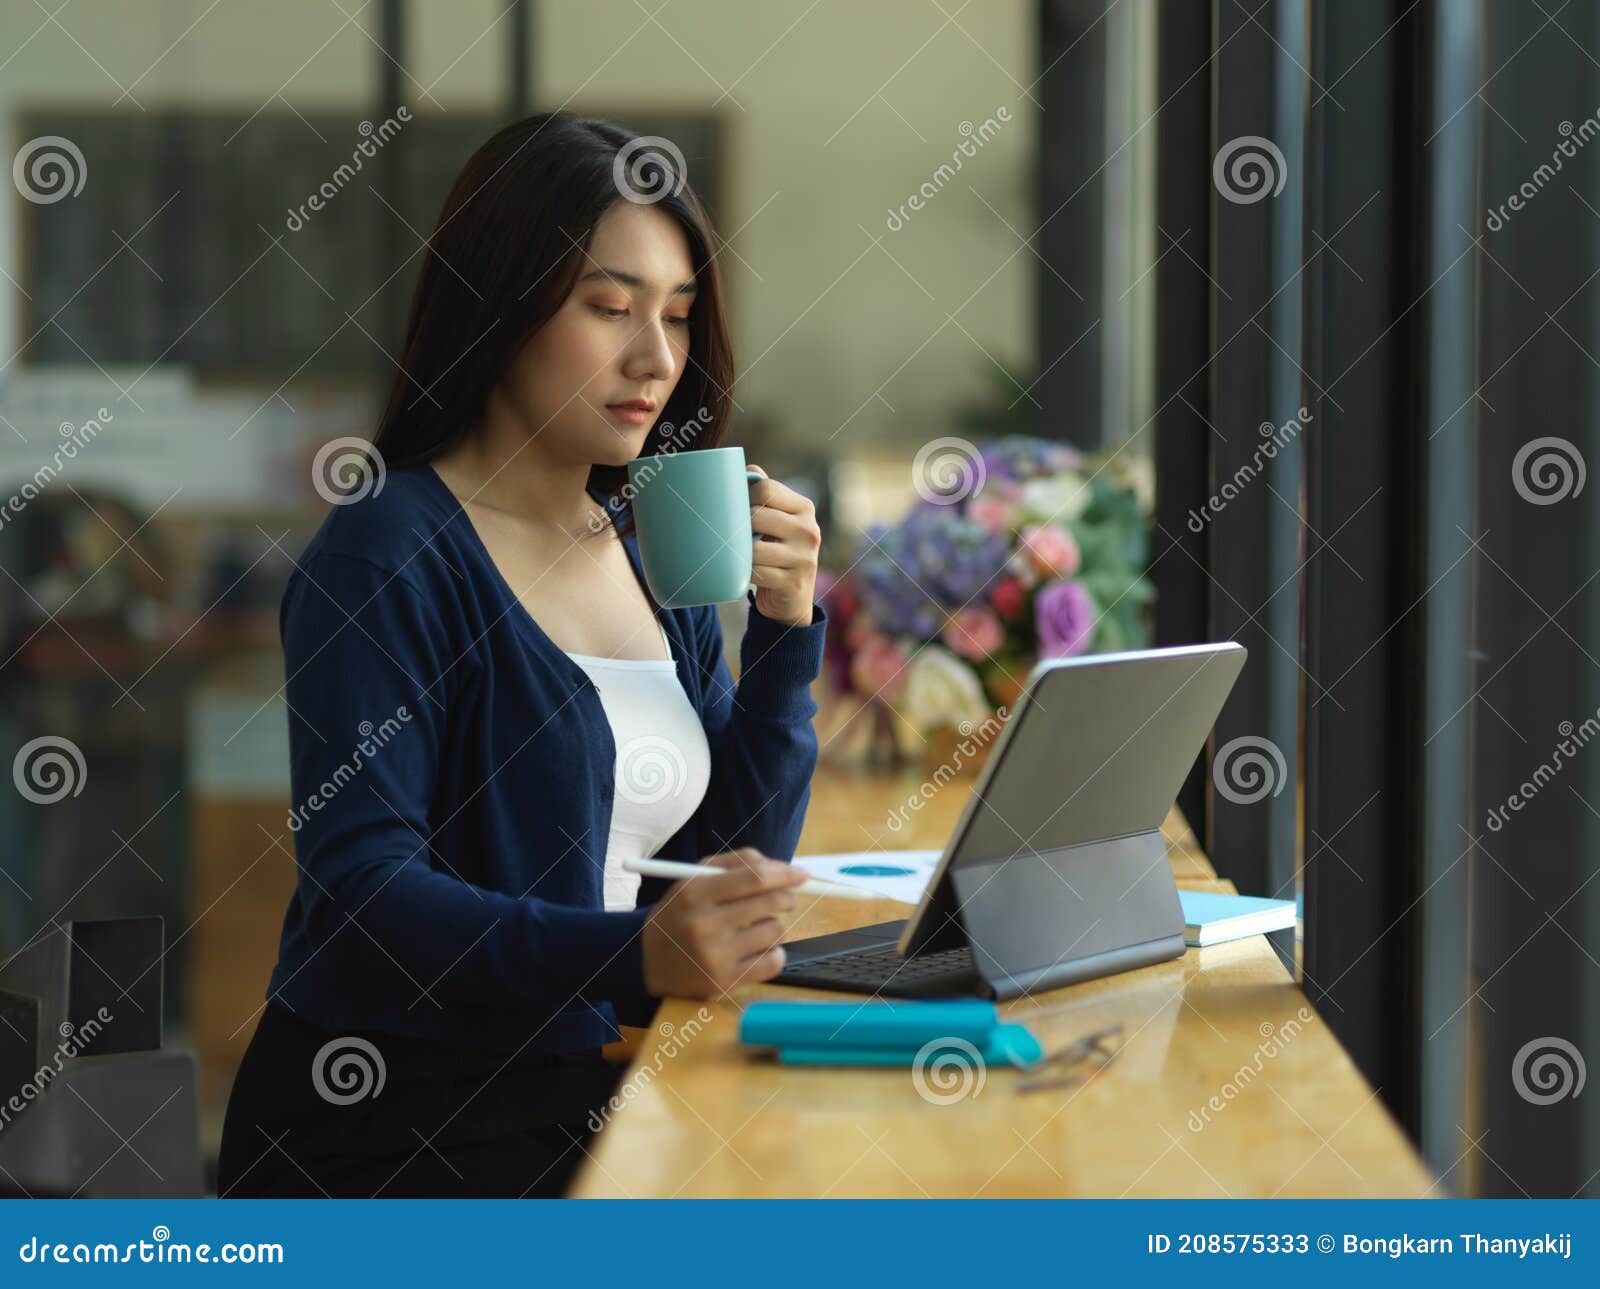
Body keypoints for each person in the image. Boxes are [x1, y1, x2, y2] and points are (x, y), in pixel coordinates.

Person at [217, 112, 827, 1198]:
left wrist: (784, 637)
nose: (656, 356)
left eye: (678, 316)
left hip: (598, 1104)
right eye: (610, 308)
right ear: (500, 305)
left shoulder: (646, 541)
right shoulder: (387, 551)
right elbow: (362, 893)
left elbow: (722, 859)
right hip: (402, 1139)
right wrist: (627, 956)